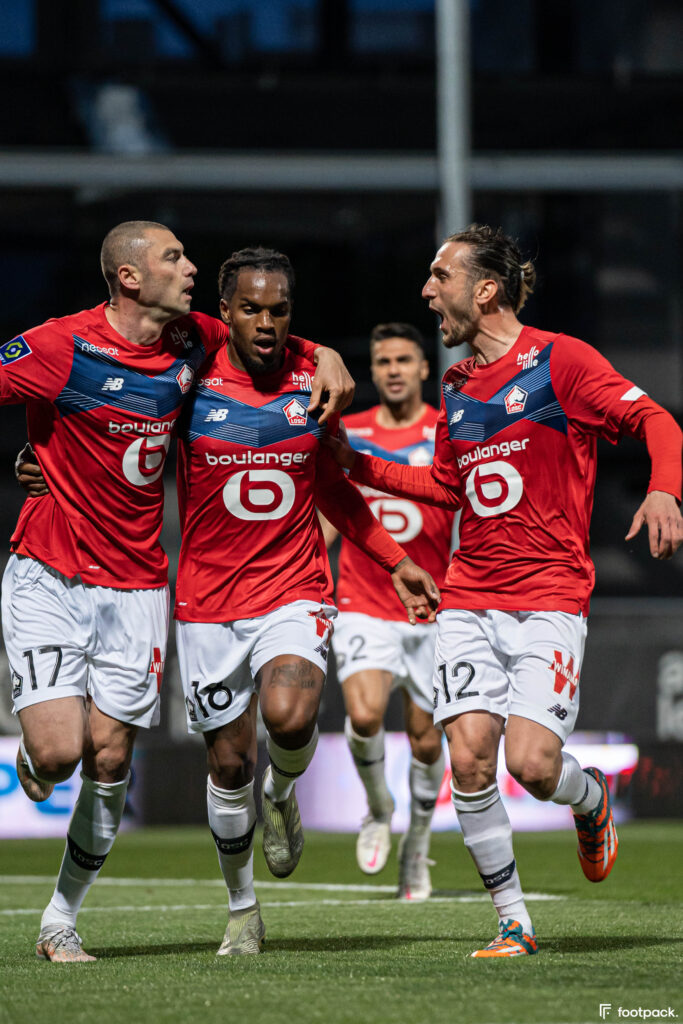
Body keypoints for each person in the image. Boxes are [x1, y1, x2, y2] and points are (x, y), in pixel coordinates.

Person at [325, 224, 683, 957]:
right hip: (468, 599)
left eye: (438, 277)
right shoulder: (457, 388)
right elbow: (446, 487)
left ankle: (589, 799)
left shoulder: (561, 361)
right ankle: (512, 922)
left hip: (549, 597)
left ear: (483, 289)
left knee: (532, 765)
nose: (426, 291)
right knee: (469, 760)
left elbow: (655, 420)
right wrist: (355, 463)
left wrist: (664, 491)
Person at [1, 220, 354, 963]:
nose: (190, 266)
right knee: (63, 754)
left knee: (108, 760)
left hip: (135, 585)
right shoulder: (59, 346)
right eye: (173, 257)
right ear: (130, 278)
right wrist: (22, 459)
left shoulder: (189, 341)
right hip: (49, 572)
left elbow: (278, 333)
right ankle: (38, 757)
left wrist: (328, 353)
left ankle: (59, 921)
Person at [171, 248, 439, 955]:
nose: (266, 321)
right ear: (223, 312)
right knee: (229, 765)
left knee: (289, 718)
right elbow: (120, 437)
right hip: (206, 599)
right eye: (251, 308)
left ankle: (282, 796)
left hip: (292, 587)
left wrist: (396, 560)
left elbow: (334, 488)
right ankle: (242, 909)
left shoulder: (315, 386)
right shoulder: (188, 382)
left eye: (279, 309)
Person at [319, 322, 455, 900]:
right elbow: (331, 510)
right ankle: (378, 807)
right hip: (364, 599)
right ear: (371, 372)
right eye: (383, 362)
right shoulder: (351, 431)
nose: (394, 369)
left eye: (405, 359)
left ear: (425, 369)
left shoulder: (448, 430)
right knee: (367, 713)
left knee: (427, 741)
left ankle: (416, 850)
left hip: (435, 607)